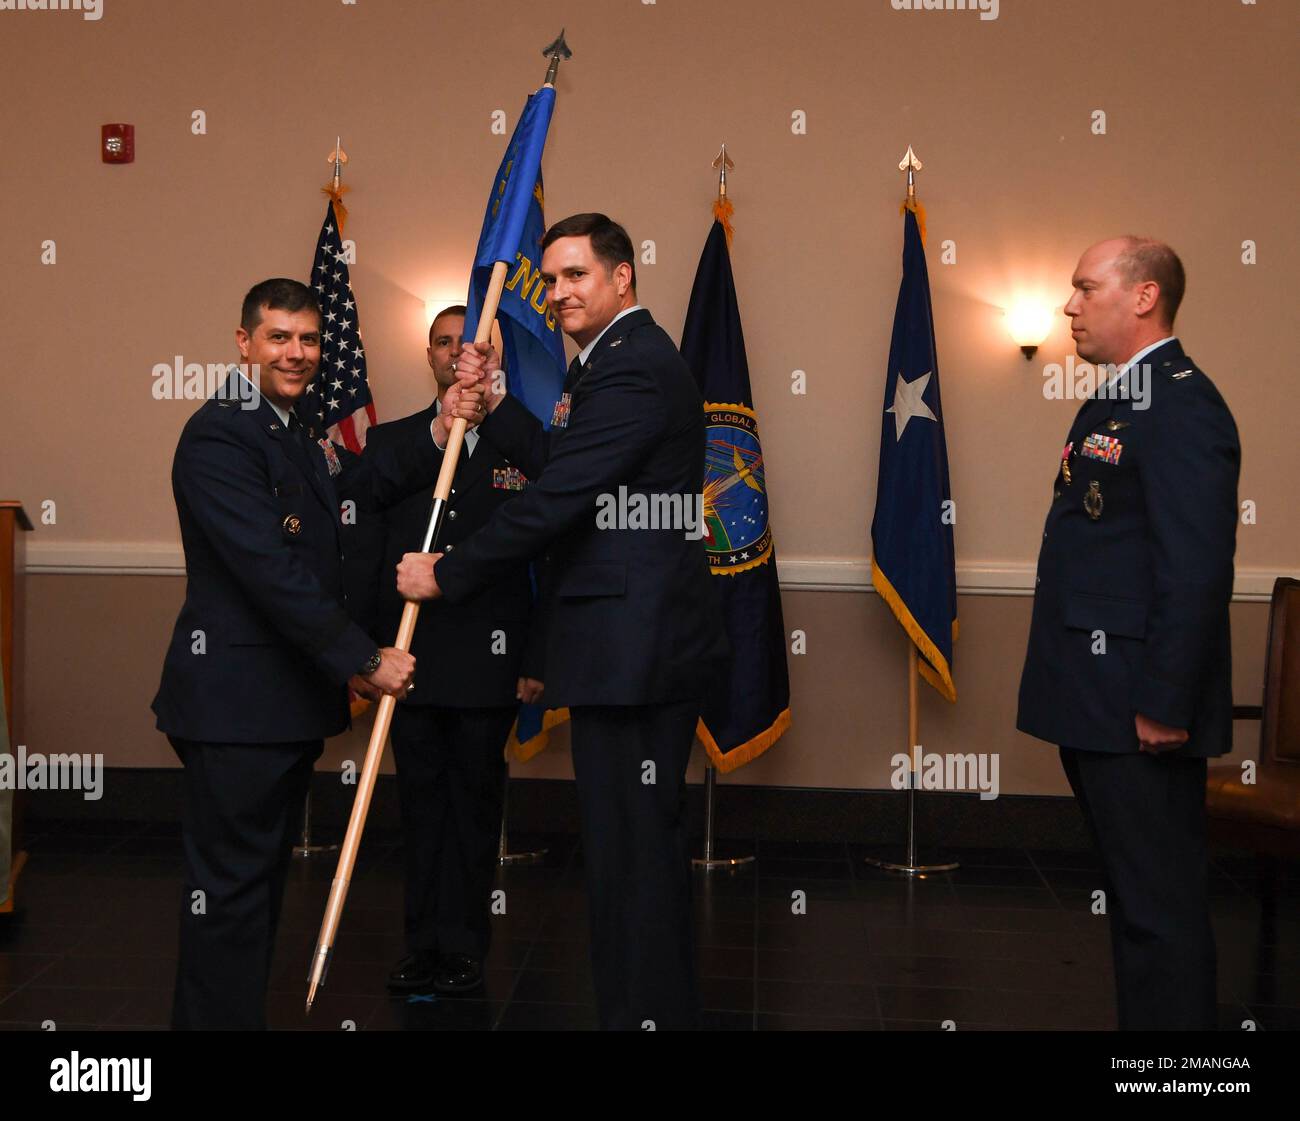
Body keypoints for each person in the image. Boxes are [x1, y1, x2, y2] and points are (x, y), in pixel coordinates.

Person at [396, 214, 728, 1029]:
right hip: (627, 648)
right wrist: (501, 402)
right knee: (625, 854)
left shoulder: (633, 367)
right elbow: (564, 465)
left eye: (577, 274)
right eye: (549, 279)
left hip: (637, 648)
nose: (559, 292)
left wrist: (447, 572)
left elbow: (556, 501)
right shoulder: (609, 364)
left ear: (623, 279)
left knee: (635, 856)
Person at [152, 278, 460, 1030]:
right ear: (243, 342)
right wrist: (361, 658)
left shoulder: (290, 427)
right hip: (236, 707)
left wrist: (437, 428)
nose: (297, 353)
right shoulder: (222, 432)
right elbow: (269, 570)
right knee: (230, 900)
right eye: (279, 337)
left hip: (274, 707)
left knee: (253, 895)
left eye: (309, 339)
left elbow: (354, 490)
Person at [1017, 237, 1240, 1031]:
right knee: (1136, 908)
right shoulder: (1116, 398)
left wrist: (1165, 702)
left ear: (1143, 297)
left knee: (1161, 911)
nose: (1069, 306)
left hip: (1140, 707)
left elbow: (1197, 566)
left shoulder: (1181, 403)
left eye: (1084, 288)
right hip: (1099, 701)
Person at [364, 305, 543, 996]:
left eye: (473, 345)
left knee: (473, 808)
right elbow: (364, 529)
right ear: (430, 356)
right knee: (420, 808)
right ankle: (422, 942)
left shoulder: (517, 443)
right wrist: (366, 651)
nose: (456, 354)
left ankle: (465, 943)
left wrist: (537, 655)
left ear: (491, 359)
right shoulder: (392, 440)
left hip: (489, 659)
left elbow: (557, 538)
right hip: (408, 661)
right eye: (445, 343)